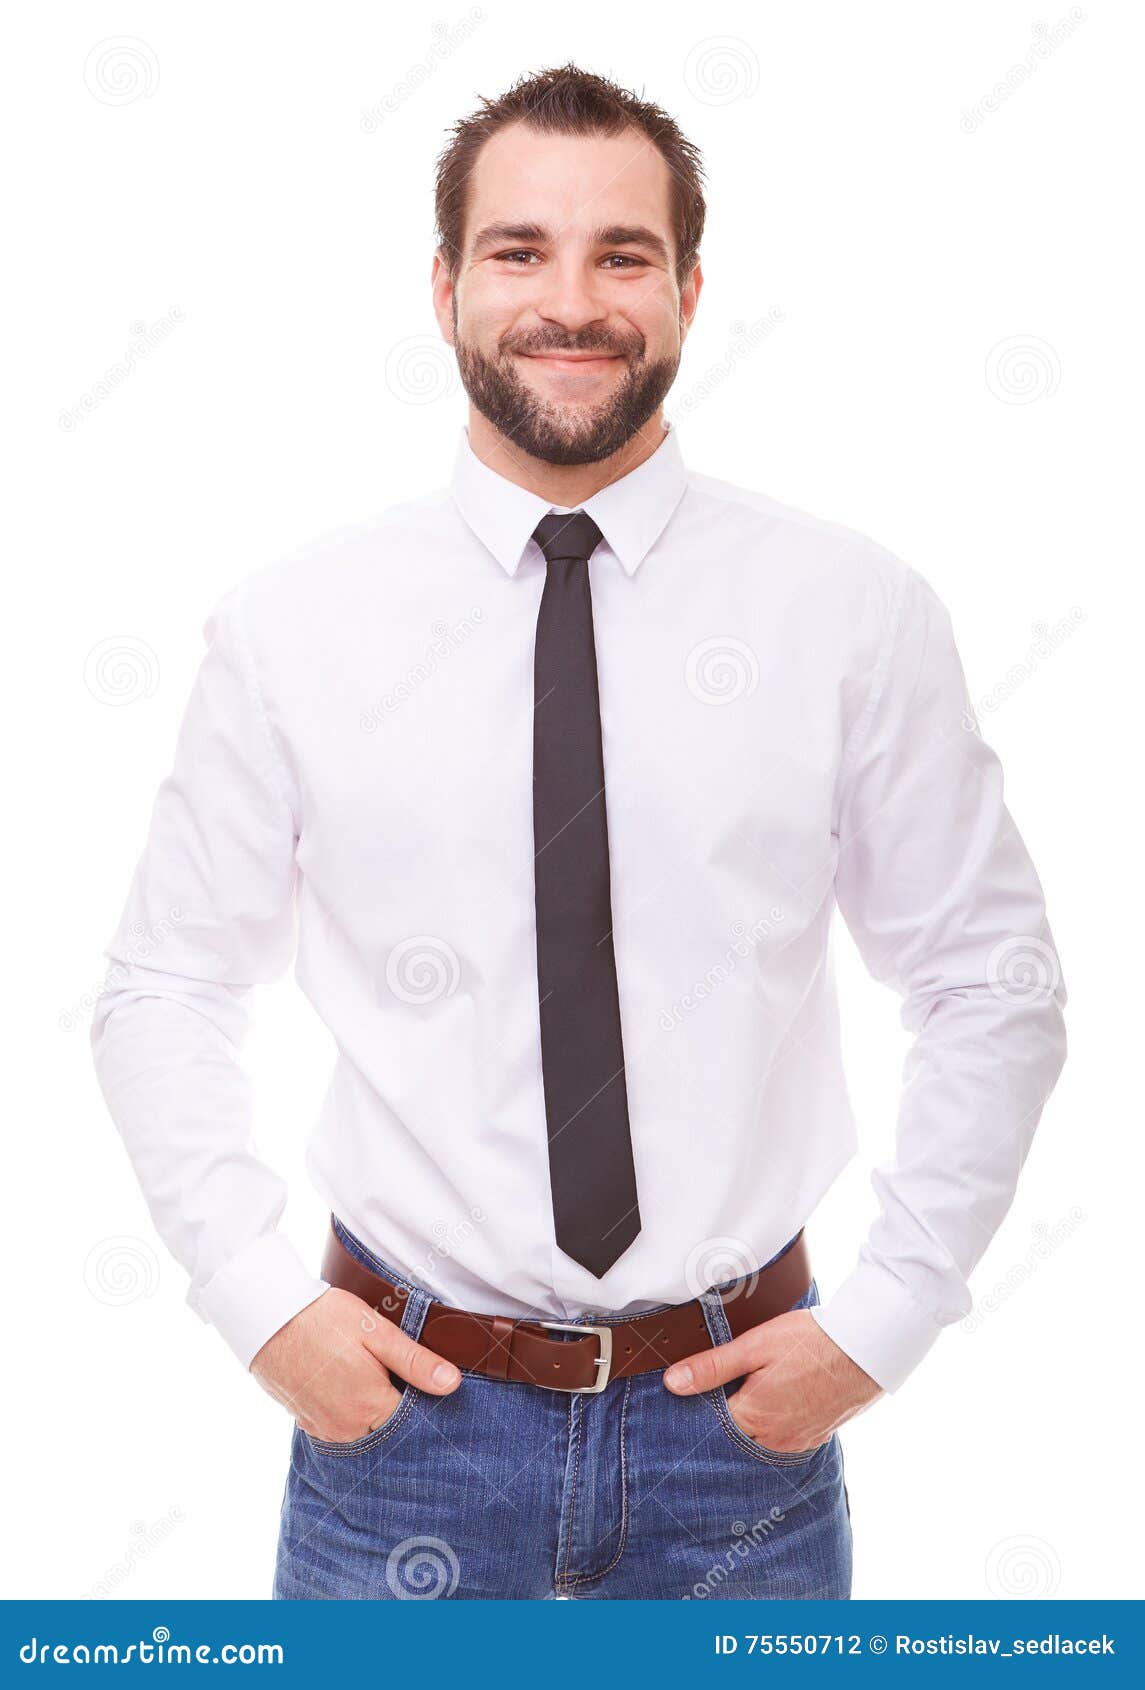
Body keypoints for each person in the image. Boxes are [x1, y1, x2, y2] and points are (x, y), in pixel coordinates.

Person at [91, 63, 1067, 1601]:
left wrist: (884, 1321)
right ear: (443, 287)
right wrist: (258, 1300)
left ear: (687, 288)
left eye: (620, 253)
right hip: (399, 1431)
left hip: (737, 1439)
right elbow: (161, 987)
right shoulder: (297, 624)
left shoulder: (845, 611)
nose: (571, 298)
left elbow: (986, 976)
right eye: (518, 250)